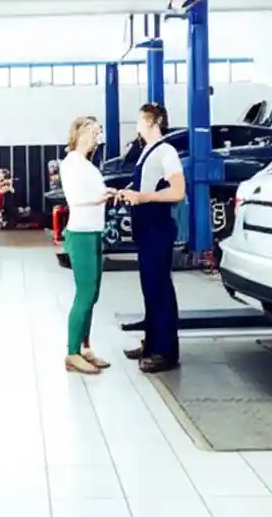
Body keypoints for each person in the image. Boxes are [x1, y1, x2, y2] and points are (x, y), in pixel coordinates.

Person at [116, 103, 186, 374]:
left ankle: (165, 352)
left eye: (138, 120)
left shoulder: (167, 151)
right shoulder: (147, 151)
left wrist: (142, 197)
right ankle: (152, 343)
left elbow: (177, 191)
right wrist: (126, 192)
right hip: (145, 227)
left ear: (150, 121)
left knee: (160, 289)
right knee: (150, 288)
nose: (136, 125)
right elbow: (145, 184)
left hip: (157, 227)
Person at [59, 116, 116, 375]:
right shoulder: (71, 162)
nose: (98, 137)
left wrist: (104, 195)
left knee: (93, 294)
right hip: (80, 233)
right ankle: (72, 353)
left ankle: (85, 347)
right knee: (84, 293)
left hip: (93, 231)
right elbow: (75, 198)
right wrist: (101, 197)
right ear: (81, 133)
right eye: (95, 131)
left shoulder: (86, 164)